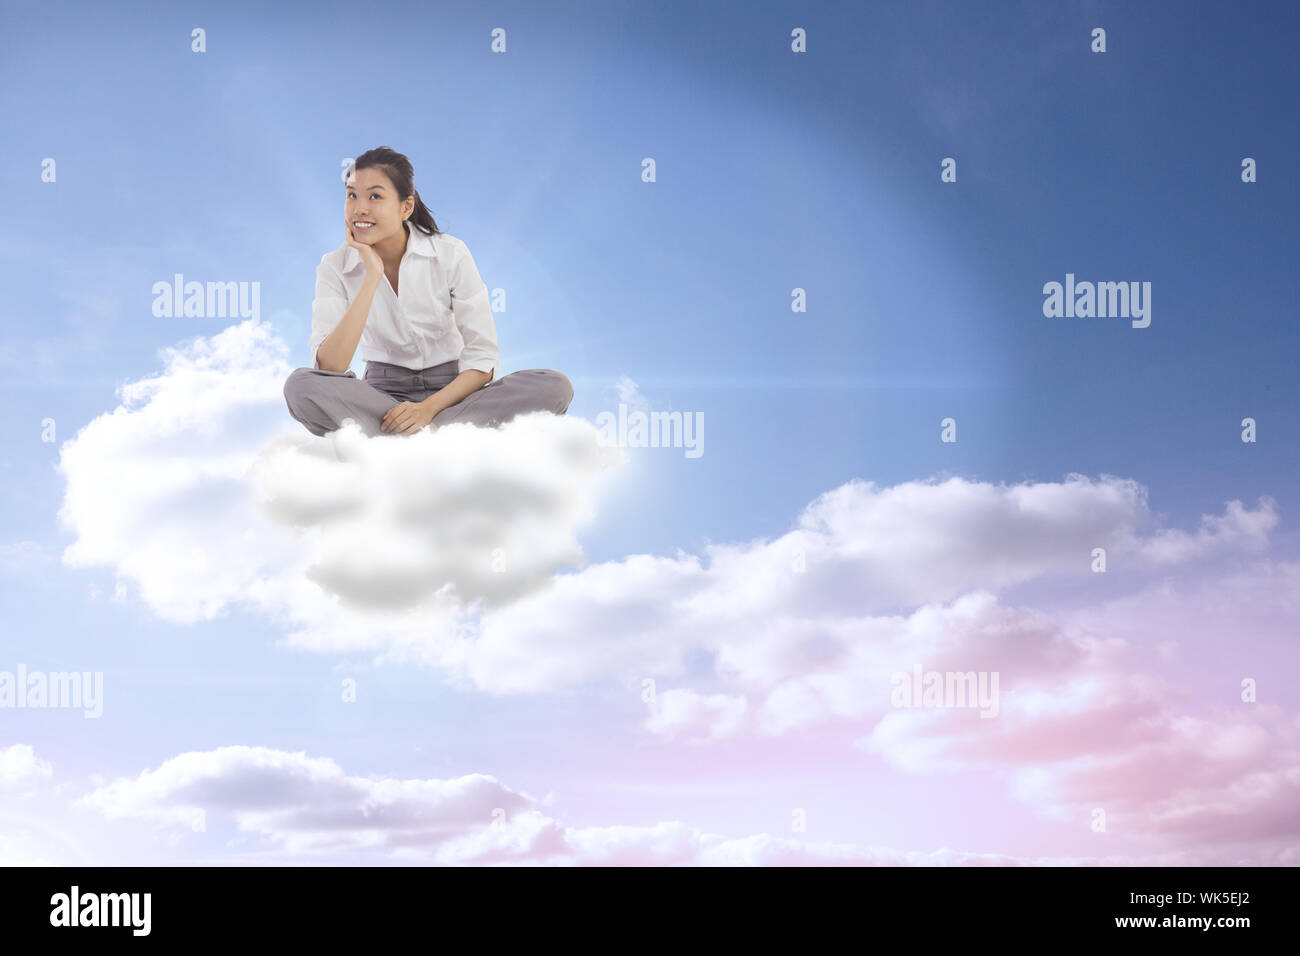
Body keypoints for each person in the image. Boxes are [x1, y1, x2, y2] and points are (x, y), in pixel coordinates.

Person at [283, 146, 573, 438]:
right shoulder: (334, 267)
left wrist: (427, 411)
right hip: (381, 400)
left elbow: (482, 360)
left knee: (554, 387)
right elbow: (330, 367)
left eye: (375, 196)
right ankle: (439, 434)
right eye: (351, 195)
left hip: (453, 392)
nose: (359, 208)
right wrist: (372, 276)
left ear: (405, 207)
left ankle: (419, 433)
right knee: (301, 386)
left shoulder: (450, 253)